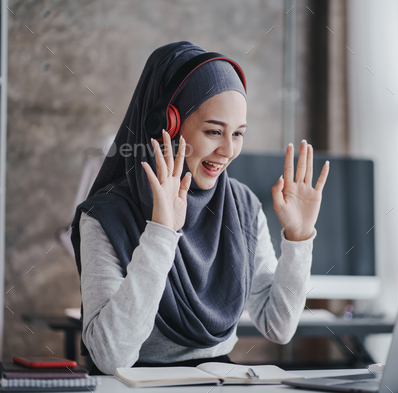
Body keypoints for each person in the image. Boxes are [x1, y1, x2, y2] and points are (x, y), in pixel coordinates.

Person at [69, 41, 329, 376]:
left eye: (238, 134)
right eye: (213, 131)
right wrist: (161, 233)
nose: (227, 150)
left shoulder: (242, 205)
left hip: (218, 378)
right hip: (132, 382)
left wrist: (298, 237)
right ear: (169, 126)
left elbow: (277, 325)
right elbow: (110, 355)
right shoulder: (105, 217)